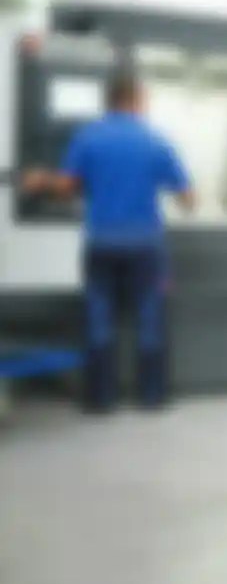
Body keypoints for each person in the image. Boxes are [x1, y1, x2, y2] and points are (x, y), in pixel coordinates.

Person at [22, 72, 194, 412]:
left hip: (101, 240)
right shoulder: (156, 139)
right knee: (149, 318)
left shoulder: (88, 137)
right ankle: (152, 397)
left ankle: (100, 399)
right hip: (145, 244)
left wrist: (41, 179)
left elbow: (67, 187)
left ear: (109, 100)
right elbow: (188, 198)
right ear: (136, 99)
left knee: (99, 316)